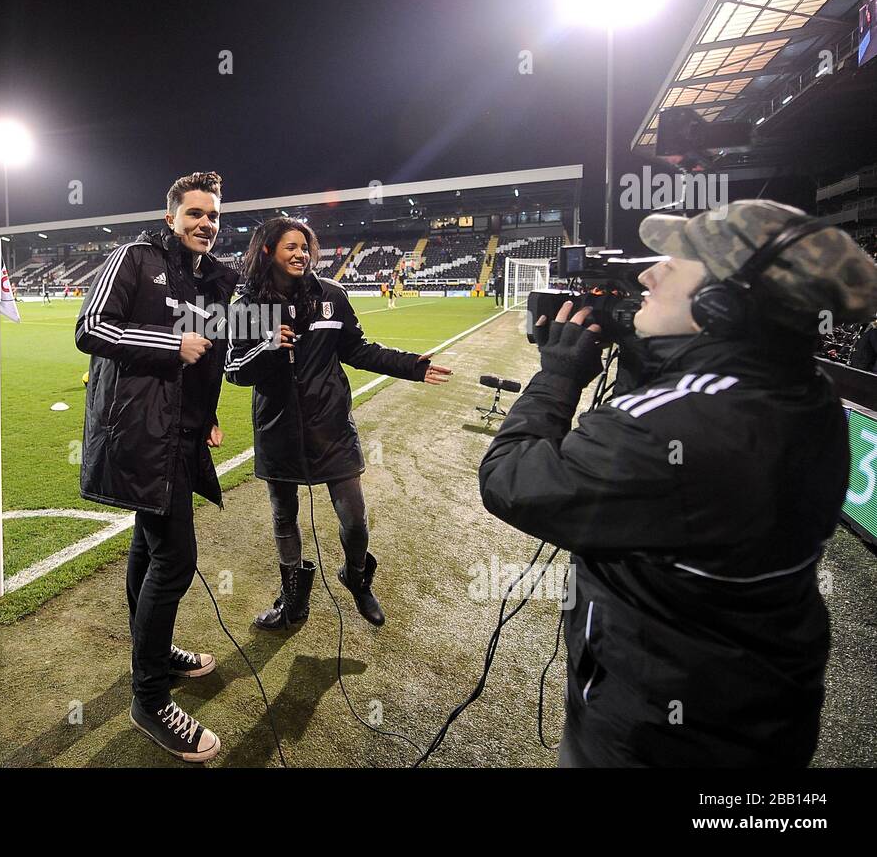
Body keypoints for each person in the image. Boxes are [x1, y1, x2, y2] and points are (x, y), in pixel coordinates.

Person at [477, 201, 877, 767]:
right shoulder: (804, 393)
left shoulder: (665, 432)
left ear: (721, 304)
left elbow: (509, 478)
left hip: (652, 737)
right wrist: (665, 353)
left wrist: (557, 376)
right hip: (759, 717)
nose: (647, 274)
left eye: (674, 262)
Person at [74, 170, 238, 763]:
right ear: (171, 215)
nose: (206, 223)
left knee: (149, 544)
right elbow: (89, 330)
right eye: (195, 212)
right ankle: (148, 697)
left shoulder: (211, 281)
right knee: (176, 556)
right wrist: (169, 344)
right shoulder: (134, 258)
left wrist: (210, 411)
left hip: (183, 431)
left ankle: (157, 654)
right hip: (141, 433)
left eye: (214, 216)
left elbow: (214, 353)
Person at [226, 218, 451, 630]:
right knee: (283, 516)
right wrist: (268, 346)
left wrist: (413, 367)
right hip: (278, 430)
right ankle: (293, 602)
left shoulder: (332, 294)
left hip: (331, 429)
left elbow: (359, 350)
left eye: (305, 246)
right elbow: (234, 370)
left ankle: (356, 576)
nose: (300, 254)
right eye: (290, 246)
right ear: (267, 251)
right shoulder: (245, 307)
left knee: (354, 518)